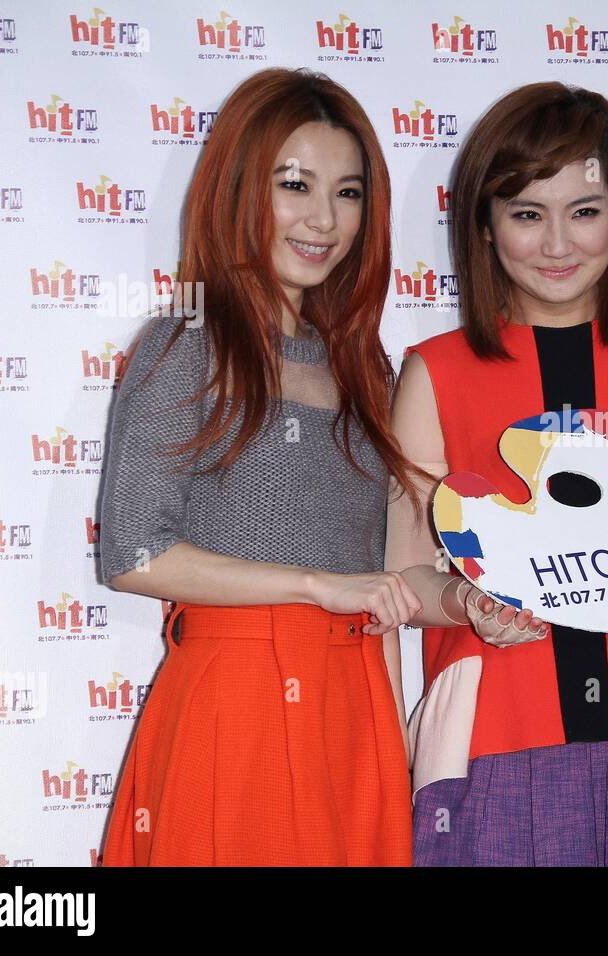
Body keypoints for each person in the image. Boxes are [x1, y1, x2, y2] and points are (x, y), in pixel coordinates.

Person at [96, 68, 504, 866]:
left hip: (353, 704)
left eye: (348, 193)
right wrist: (315, 587)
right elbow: (135, 554)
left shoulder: (361, 366)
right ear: (241, 185)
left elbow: (379, 576)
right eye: (296, 185)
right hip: (238, 696)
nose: (325, 219)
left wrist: (466, 604)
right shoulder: (189, 341)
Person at [385, 82, 608, 866]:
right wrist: (466, 602)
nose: (556, 244)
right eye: (526, 214)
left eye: (583, 211)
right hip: (494, 729)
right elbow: (401, 575)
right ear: (484, 222)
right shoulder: (436, 372)